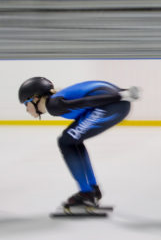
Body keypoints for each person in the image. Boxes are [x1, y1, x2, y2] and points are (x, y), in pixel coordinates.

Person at [19, 77, 139, 209]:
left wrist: (120, 95)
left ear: (35, 98)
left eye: (26, 104)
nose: (27, 110)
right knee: (71, 140)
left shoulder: (53, 105)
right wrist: (121, 94)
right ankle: (92, 189)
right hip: (115, 103)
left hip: (114, 104)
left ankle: (87, 193)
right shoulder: (57, 99)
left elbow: (86, 101)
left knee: (65, 142)